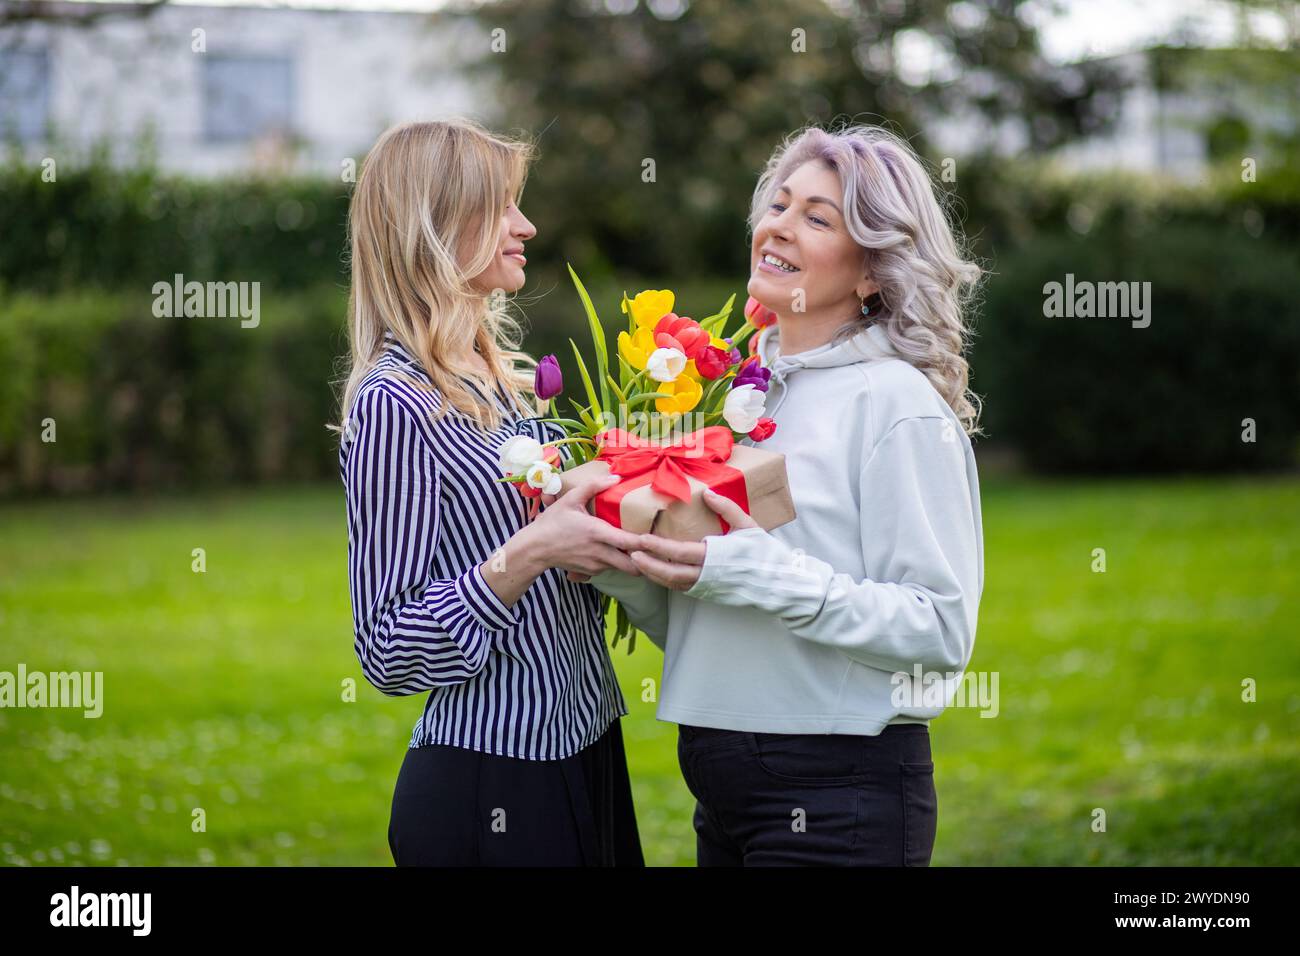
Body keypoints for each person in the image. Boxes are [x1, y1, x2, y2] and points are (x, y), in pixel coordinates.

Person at [585, 124, 985, 866]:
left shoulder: (895, 403)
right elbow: (726, 621)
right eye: (779, 203)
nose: (779, 226)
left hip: (838, 796)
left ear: (872, 271)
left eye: (818, 217)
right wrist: (621, 561)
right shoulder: (735, 395)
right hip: (722, 789)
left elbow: (938, 633)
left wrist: (760, 572)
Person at [335, 118, 646, 866]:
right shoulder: (394, 403)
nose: (526, 226)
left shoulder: (497, 378)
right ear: (437, 226)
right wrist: (529, 553)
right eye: (504, 206)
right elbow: (386, 647)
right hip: (495, 783)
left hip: (589, 744)